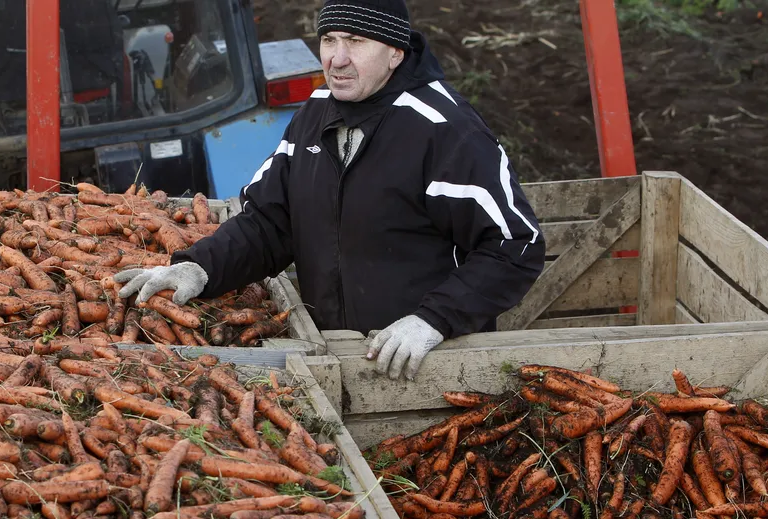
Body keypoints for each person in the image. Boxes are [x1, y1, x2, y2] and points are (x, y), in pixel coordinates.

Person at [115, 0, 545, 380]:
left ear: (395, 51)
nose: (337, 59)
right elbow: (269, 222)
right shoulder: (315, 114)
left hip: (431, 371)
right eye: (329, 40)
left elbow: (515, 246)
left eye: (356, 41)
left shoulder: (443, 131)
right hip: (336, 361)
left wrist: (432, 320)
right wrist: (198, 267)